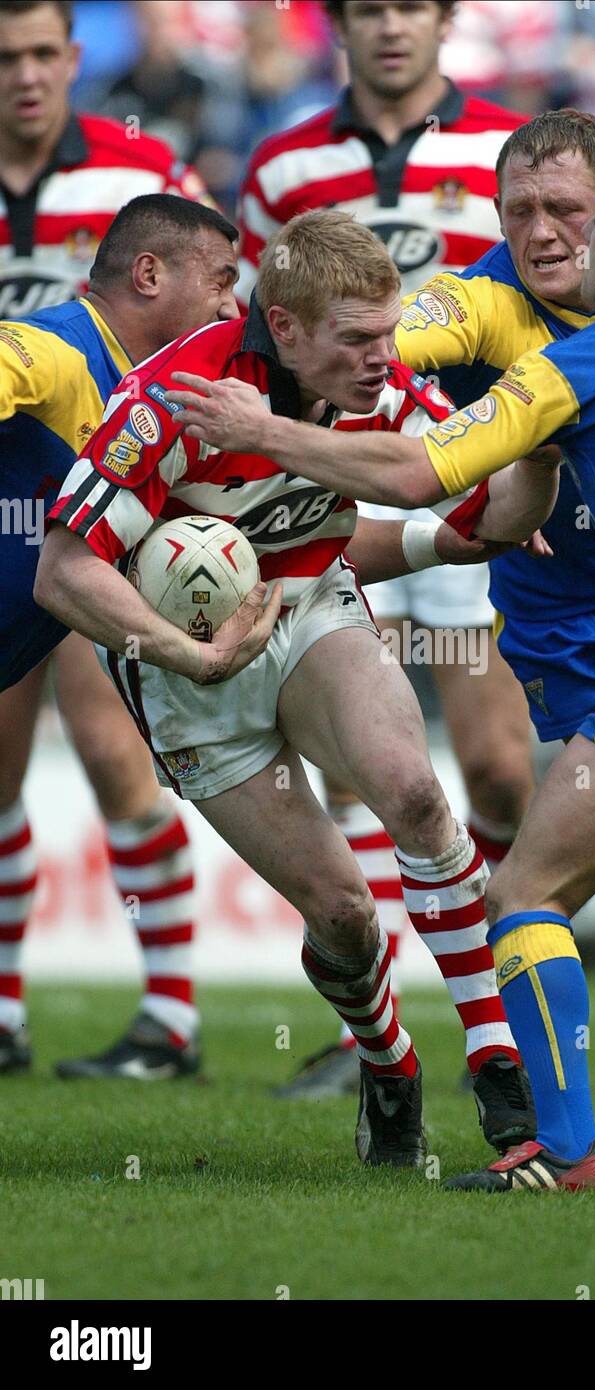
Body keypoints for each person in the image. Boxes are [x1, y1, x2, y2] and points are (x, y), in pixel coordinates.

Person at [169, 147, 595, 1181]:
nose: (540, 235)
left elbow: (416, 469)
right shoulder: (535, 308)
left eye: (568, 216)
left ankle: (564, 1151)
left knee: (536, 889)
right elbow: (383, 346)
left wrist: (259, 429)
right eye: (516, 211)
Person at [34, 210, 557, 1165]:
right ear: (284, 326)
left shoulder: (386, 388)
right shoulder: (166, 402)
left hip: (310, 607)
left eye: (387, 333)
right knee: (347, 917)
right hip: (188, 675)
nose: (380, 358)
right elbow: (63, 571)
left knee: (411, 791)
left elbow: (484, 510)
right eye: (355, 339)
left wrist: (541, 458)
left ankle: (496, 1065)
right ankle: (388, 1060)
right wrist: (179, 653)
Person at [237, 0, 535, 1097]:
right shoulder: (281, 166)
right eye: (369, 8)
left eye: (412, 6)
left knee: (497, 768)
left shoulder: (503, 144)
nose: (390, 28)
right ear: (342, 25)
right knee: (366, 772)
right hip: (328, 495)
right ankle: (393, 1025)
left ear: (447, 19)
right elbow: (259, 332)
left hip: (470, 482)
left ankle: (503, 984)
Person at [0, 0, 208, 1077]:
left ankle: (169, 1020)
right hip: (4, 500)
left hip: (110, 497)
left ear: (75, 59)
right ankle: (5, 1014)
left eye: (43, 54)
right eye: (7, 59)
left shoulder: (138, 170)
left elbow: (218, 299)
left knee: (111, 750)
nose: (26, 77)